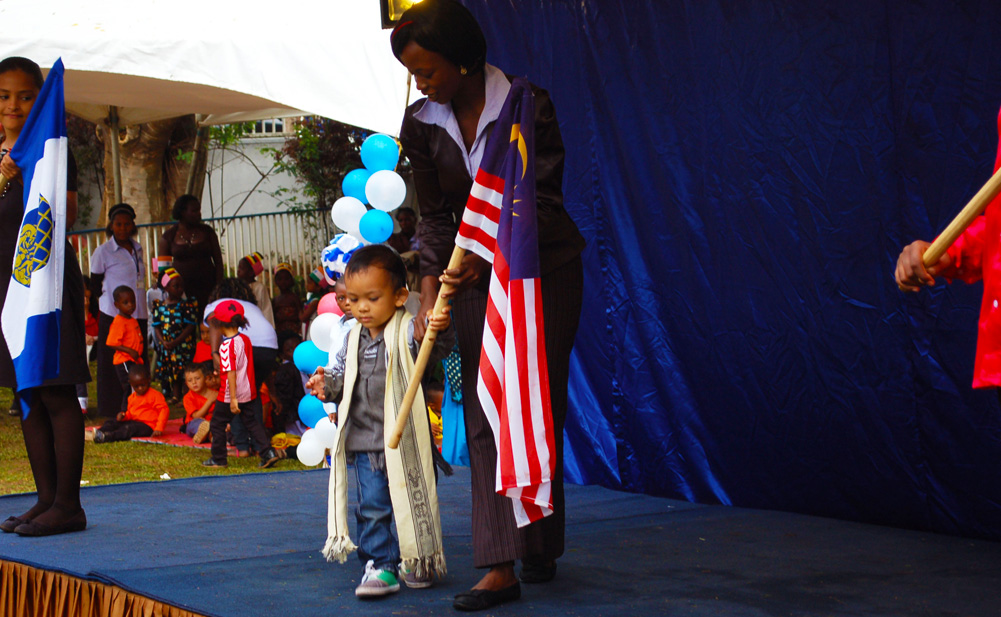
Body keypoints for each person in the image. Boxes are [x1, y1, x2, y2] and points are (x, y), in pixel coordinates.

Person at [391, 1, 586, 609]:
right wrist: (430, 294)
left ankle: (539, 543)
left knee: (533, 404)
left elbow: (544, 202)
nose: (420, 84)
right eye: (412, 74)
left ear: (466, 58)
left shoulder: (529, 105)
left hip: (540, 273)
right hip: (465, 284)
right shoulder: (421, 123)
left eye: (428, 71)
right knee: (481, 410)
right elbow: (434, 217)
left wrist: (489, 256)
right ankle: (498, 561)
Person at [307, 245, 452, 598]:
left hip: (406, 442)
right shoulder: (351, 337)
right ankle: (380, 566)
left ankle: (416, 558)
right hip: (366, 441)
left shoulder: (407, 332)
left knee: (411, 498)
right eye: (353, 300)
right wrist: (326, 385)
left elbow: (435, 351)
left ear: (400, 296)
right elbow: (340, 378)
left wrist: (438, 331)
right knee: (372, 507)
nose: (362, 308)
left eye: (372, 298)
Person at [0, 56, 90, 537]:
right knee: (27, 392)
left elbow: (67, 216)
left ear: (41, 98)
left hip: (46, 285)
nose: (14, 105)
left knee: (55, 389)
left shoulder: (52, 149)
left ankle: (69, 506)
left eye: (25, 95)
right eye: (4, 96)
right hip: (8, 290)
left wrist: (23, 174)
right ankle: (44, 499)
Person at [204, 278, 279, 456]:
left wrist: (215, 353)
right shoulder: (250, 307)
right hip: (270, 347)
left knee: (234, 396)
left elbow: (215, 324)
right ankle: (261, 447)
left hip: (243, 349)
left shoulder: (217, 305)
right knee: (251, 396)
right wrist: (273, 391)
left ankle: (242, 446)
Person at [90, 201, 148, 417]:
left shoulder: (137, 248)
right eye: (118, 224)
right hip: (113, 315)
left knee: (137, 359)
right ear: (111, 226)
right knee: (112, 361)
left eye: (126, 224)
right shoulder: (103, 252)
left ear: (132, 225)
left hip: (138, 312)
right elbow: (95, 285)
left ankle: (140, 404)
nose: (123, 228)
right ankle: (111, 407)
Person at [157, 194, 223, 313]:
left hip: (208, 287)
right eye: (194, 211)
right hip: (181, 291)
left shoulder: (207, 232)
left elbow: (218, 261)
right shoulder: (168, 237)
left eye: (199, 210)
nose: (199, 214)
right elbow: (163, 269)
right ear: (182, 212)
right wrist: (169, 289)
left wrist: (218, 287)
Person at [151, 267, 198, 403]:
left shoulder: (186, 306)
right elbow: (157, 326)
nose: (180, 289)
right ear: (166, 287)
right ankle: (173, 395)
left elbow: (190, 327)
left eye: (181, 286)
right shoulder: (159, 306)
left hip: (182, 346)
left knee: (184, 371)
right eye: (175, 286)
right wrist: (163, 341)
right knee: (170, 371)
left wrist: (176, 341)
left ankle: (185, 396)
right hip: (167, 347)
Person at [90, 365, 168, 443]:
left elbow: (164, 411)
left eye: (143, 385)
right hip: (134, 422)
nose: (140, 388)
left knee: (128, 429)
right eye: (136, 386)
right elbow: (131, 413)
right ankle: (98, 432)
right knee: (111, 422)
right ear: (131, 384)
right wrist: (124, 416)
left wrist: (159, 428)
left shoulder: (155, 395)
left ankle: (107, 436)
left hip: (148, 426)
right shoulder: (131, 397)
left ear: (148, 380)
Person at [105, 286, 144, 414]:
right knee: (130, 386)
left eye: (133, 302)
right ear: (117, 305)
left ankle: (135, 409)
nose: (131, 305)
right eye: (126, 303)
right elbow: (111, 342)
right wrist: (129, 351)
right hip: (124, 361)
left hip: (134, 360)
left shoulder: (132, 320)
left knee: (135, 386)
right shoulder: (119, 321)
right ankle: (125, 411)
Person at [271, 331, 308, 436]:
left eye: (297, 347)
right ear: (282, 355)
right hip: (295, 421)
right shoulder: (286, 371)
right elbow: (284, 399)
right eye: (289, 350)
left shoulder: (304, 366)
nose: (295, 351)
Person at [181, 363, 216, 444]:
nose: (194, 382)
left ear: (205, 379)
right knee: (198, 424)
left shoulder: (215, 393)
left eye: (197, 378)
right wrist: (210, 401)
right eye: (190, 380)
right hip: (194, 423)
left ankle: (211, 436)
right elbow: (196, 416)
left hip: (213, 422)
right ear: (186, 383)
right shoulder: (188, 398)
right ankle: (207, 433)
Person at [238, 251, 275, 327]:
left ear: (251, 272)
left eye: (241, 268)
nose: (238, 270)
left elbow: (266, 309)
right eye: (238, 267)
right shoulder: (237, 287)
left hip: (257, 324)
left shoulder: (260, 288)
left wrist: (269, 327)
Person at [272, 262, 302, 336]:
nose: (283, 282)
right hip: (280, 333)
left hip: (294, 332)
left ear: (291, 280)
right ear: (276, 281)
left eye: (286, 279)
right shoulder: (275, 300)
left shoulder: (294, 298)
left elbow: (300, 314)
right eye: (280, 279)